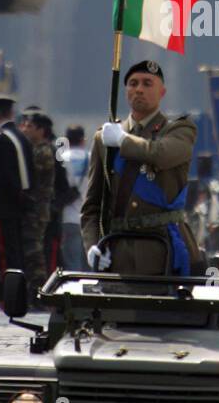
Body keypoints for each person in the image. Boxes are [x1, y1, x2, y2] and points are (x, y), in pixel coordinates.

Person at [81, 60, 200, 276]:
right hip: (117, 251)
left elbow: (162, 154)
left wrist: (123, 141)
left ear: (162, 91)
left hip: (163, 250)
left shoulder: (180, 130)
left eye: (147, 83)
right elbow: (92, 206)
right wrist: (92, 245)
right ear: (126, 91)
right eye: (133, 84)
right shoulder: (105, 138)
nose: (139, 89)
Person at [0, 93, 33, 278]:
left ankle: (8, 295)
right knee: (16, 251)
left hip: (4, 207)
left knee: (5, 253)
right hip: (19, 205)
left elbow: (2, 176)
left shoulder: (1, 139)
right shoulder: (21, 137)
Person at [19, 110, 55, 304]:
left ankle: (40, 293)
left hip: (37, 210)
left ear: (41, 130)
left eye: (31, 126)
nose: (26, 129)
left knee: (35, 253)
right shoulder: (36, 149)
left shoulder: (42, 151)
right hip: (35, 209)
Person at [58, 125, 88, 270]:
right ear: (83, 140)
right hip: (88, 218)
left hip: (66, 217)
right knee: (88, 264)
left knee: (71, 262)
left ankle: (72, 291)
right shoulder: (91, 158)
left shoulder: (61, 158)